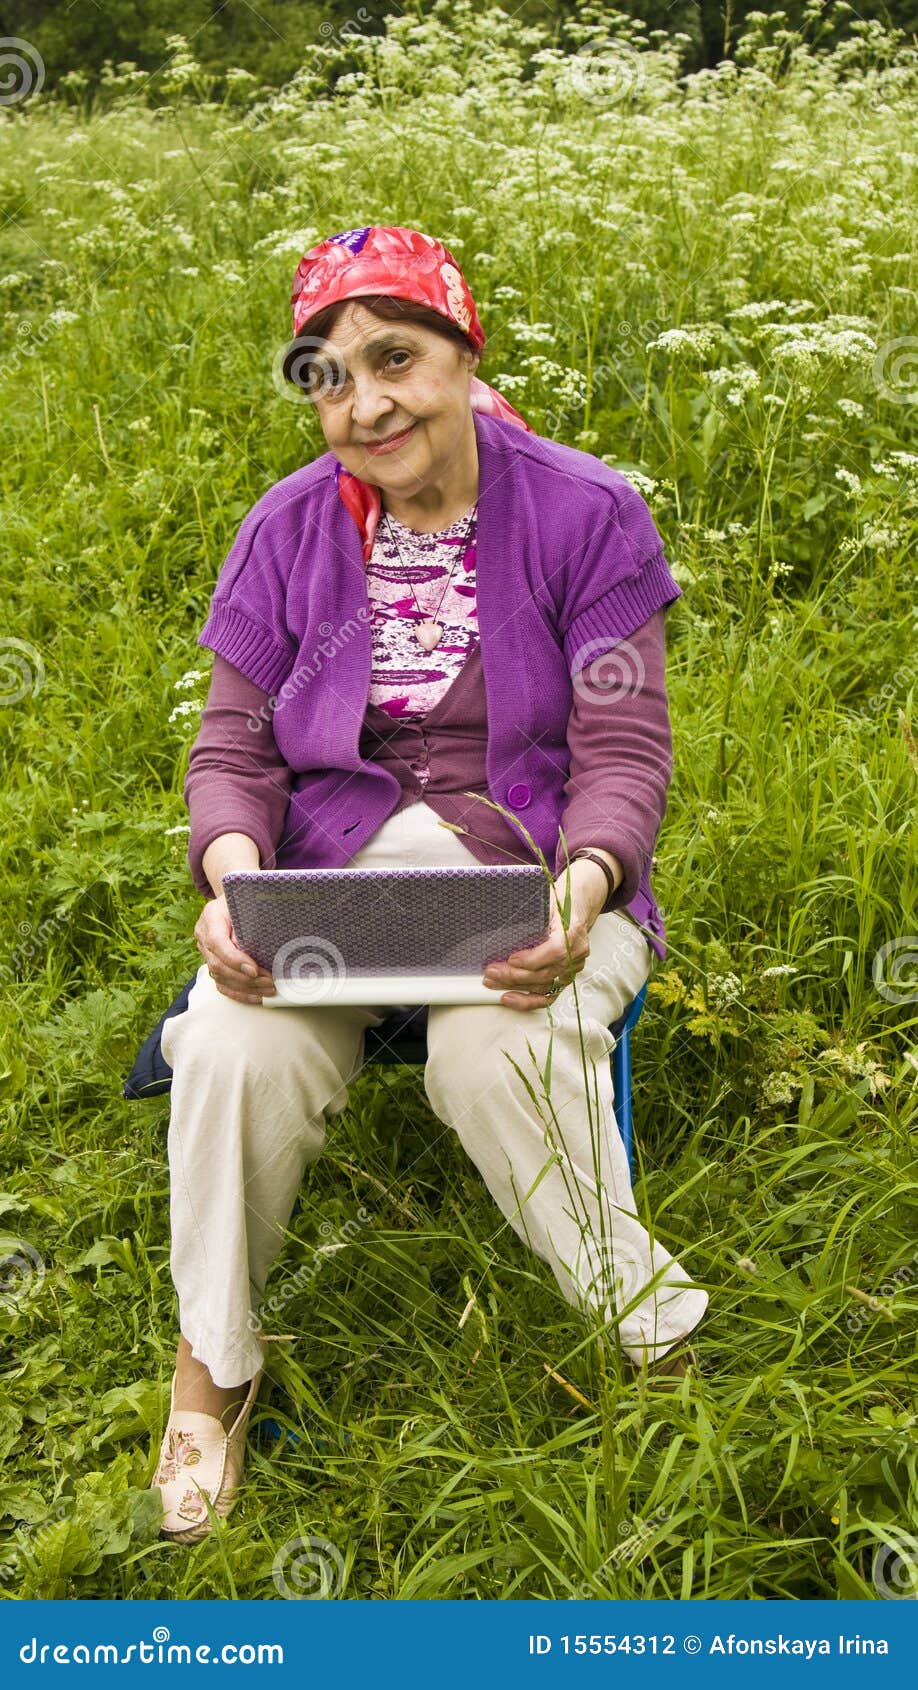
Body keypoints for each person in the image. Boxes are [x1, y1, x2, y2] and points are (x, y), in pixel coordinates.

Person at [150, 225, 709, 1544]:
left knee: (489, 1059)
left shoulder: (584, 512)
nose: (366, 402)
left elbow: (622, 750)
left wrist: (579, 892)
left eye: (393, 357)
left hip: (537, 870)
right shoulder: (287, 531)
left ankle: (651, 1332)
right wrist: (236, 881)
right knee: (229, 1046)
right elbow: (231, 750)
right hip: (331, 880)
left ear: (465, 352)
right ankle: (214, 1369)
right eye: (327, 377)